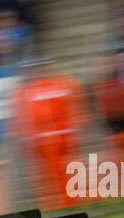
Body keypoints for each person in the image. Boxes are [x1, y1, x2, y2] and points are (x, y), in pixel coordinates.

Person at [10, 58, 88, 208]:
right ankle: (57, 204)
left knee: (66, 172)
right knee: (49, 176)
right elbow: (21, 119)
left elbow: (75, 108)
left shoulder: (61, 84)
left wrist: (78, 128)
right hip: (44, 140)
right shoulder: (25, 91)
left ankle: (68, 202)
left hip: (60, 137)